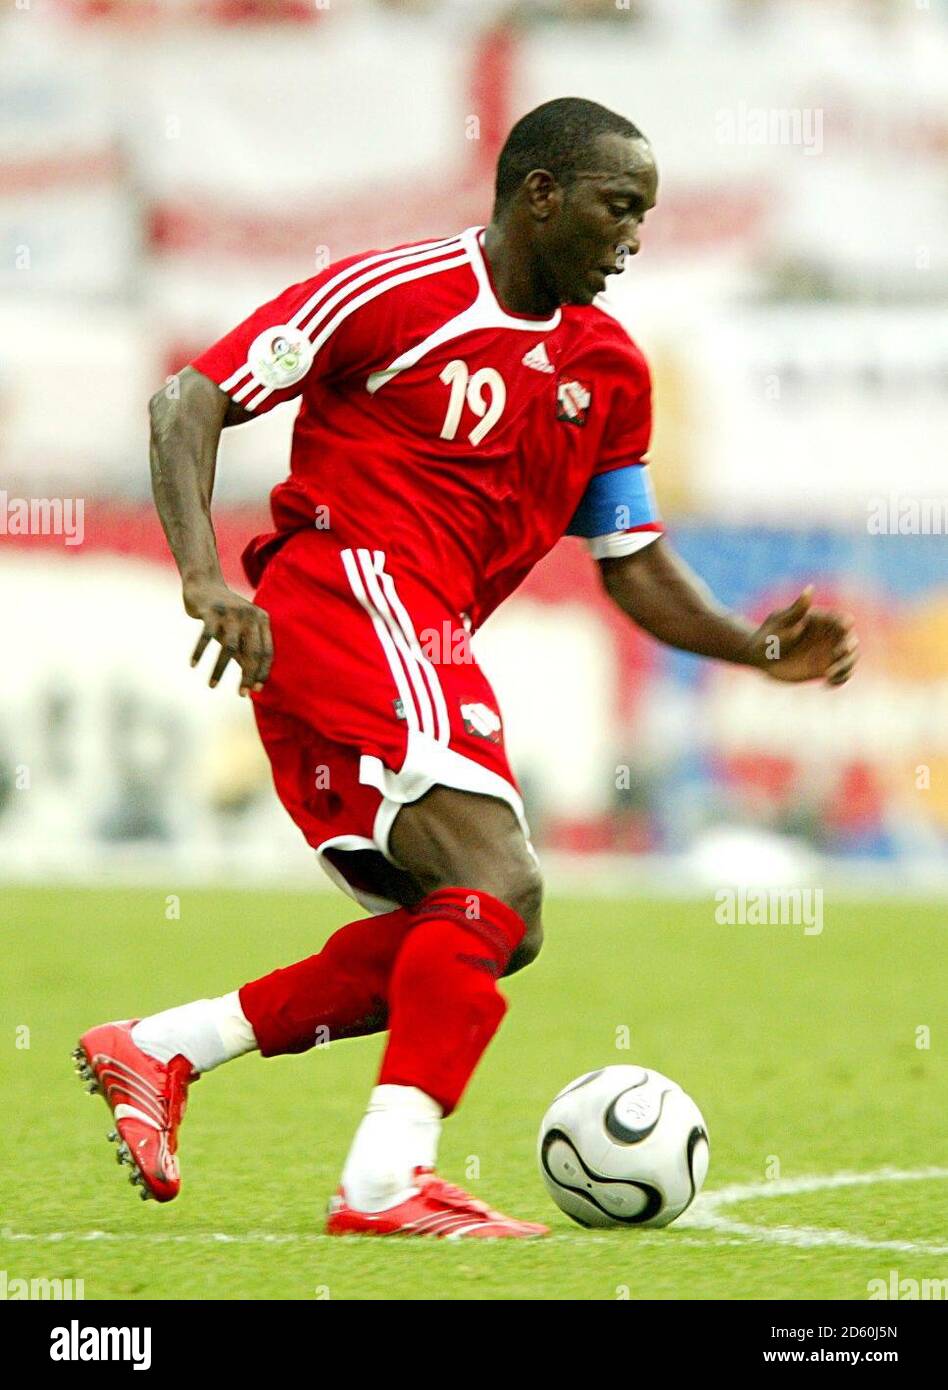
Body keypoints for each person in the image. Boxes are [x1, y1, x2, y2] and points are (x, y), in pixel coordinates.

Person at [74, 97, 858, 1239]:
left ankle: (164, 1047)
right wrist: (204, 578)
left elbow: (631, 563)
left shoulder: (608, 372)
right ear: (541, 192)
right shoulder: (398, 295)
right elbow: (188, 399)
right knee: (504, 879)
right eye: (618, 206)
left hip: (397, 638)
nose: (634, 236)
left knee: (490, 919)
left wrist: (755, 647)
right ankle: (385, 1183)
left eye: (645, 214)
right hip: (347, 593)